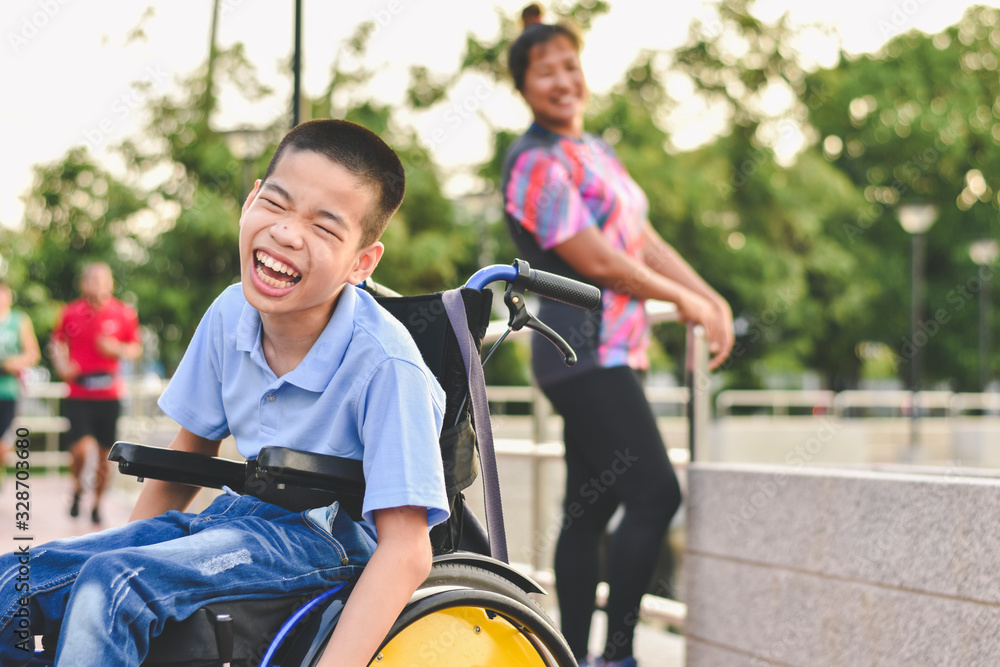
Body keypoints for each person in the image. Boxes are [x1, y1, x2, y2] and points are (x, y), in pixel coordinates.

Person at [0, 119, 450, 667]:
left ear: (362, 262)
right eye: (277, 205)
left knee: (112, 589)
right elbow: (188, 455)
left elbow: (406, 550)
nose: (287, 233)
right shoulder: (231, 311)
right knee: (16, 581)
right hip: (236, 518)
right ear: (250, 201)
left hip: (325, 539)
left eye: (325, 228)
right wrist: (136, 550)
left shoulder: (385, 363)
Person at [501, 7, 735, 666]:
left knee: (588, 511)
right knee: (657, 491)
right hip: (580, 351)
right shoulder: (532, 162)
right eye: (544, 71)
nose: (562, 79)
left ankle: (570, 654)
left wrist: (705, 294)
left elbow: (643, 241)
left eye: (570, 66)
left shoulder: (594, 151)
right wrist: (683, 298)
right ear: (523, 88)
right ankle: (618, 655)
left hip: (611, 350)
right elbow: (597, 258)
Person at [50, 262, 142, 524]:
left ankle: (97, 504)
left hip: (109, 394)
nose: (99, 283)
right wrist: (62, 365)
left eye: (104, 279)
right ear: (84, 283)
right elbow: (57, 344)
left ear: (111, 283)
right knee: (81, 450)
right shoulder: (70, 313)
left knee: (104, 456)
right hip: (78, 391)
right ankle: (78, 486)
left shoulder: (123, 313)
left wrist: (117, 349)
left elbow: (135, 349)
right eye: (93, 278)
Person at [0, 282, 41, 466]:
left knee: (4, 442)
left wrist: (12, 364)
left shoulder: (19, 320)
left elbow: (33, 354)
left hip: (9, 391)